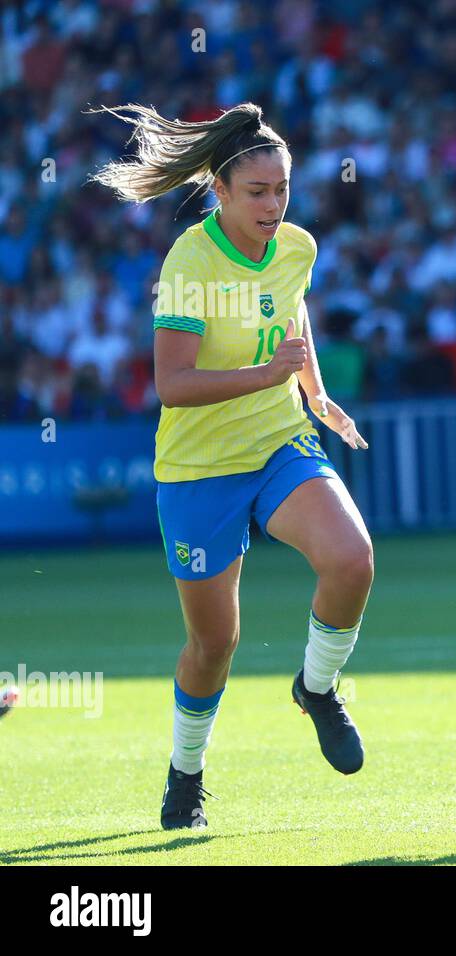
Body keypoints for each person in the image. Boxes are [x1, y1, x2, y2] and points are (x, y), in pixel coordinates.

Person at [90, 103, 374, 830]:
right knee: (214, 645)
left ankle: (317, 688)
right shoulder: (189, 261)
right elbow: (173, 387)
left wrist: (316, 393)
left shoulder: (296, 246)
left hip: (278, 442)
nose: (273, 204)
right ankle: (185, 775)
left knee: (351, 559)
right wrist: (267, 370)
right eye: (258, 192)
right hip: (198, 470)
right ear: (219, 190)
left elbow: (294, 311)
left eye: (282, 189)